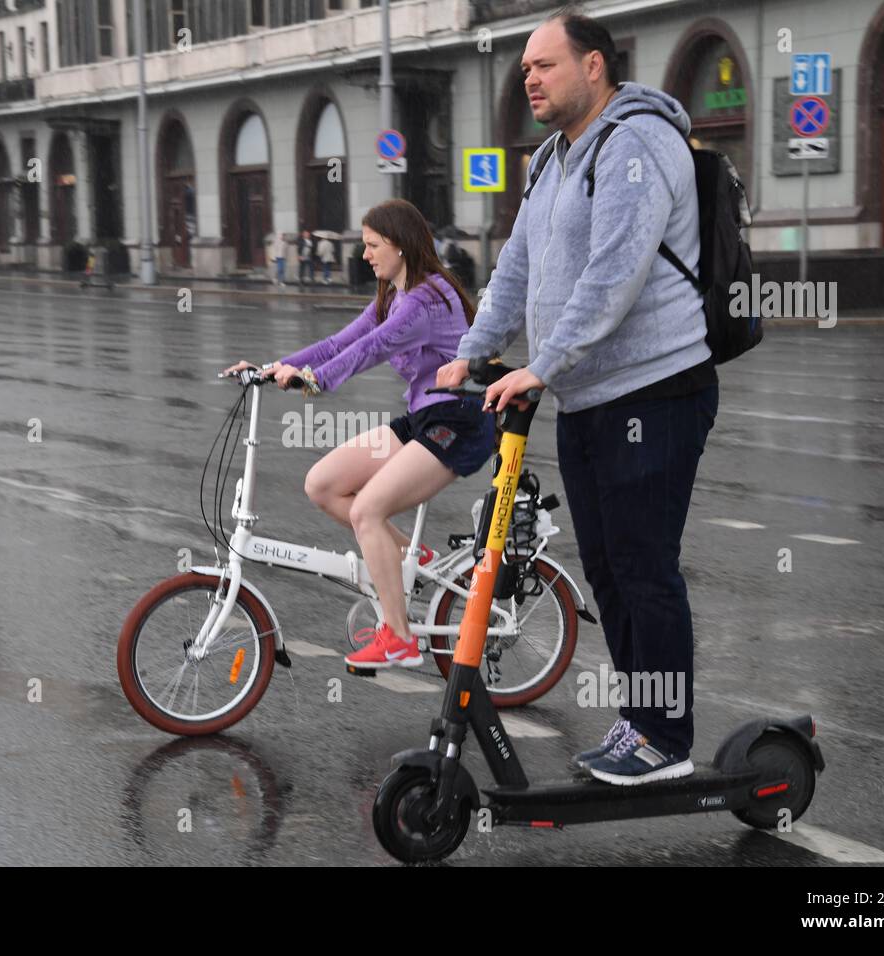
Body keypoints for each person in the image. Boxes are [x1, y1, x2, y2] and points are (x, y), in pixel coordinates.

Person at [438, 7, 718, 786]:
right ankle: (642, 721)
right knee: (606, 564)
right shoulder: (553, 157)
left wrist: (544, 364)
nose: (529, 77)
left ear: (594, 66)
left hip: (657, 390)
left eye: (545, 64)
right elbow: (517, 266)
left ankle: (666, 737)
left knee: (643, 565)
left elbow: (617, 271)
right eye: (525, 67)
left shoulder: (637, 143)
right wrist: (472, 352)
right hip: (591, 397)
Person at [224, 199, 494, 669]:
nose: (365, 254)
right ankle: (412, 553)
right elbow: (339, 342)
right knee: (323, 485)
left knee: (368, 508)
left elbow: (372, 349)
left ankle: (400, 637)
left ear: (401, 246)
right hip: (424, 418)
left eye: (372, 245)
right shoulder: (393, 294)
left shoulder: (424, 300)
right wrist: (270, 369)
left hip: (459, 421)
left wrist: (314, 380)